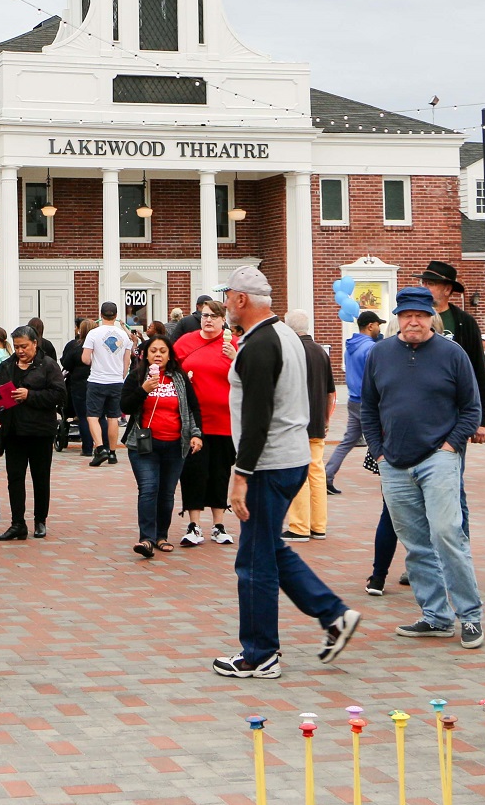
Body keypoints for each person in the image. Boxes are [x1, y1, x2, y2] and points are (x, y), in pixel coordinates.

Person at [213, 266, 359, 679]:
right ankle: (333, 614)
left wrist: (241, 473)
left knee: (254, 562)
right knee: (270, 549)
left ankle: (260, 653)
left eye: (228, 297)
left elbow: (258, 417)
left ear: (241, 299)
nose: (225, 304)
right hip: (292, 456)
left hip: (269, 462)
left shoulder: (259, 345)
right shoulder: (287, 336)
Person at [361, 286, 485, 651]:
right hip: (393, 462)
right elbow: (368, 407)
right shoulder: (380, 354)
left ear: (432, 316)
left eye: (420, 314)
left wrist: (450, 447)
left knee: (448, 534)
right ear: (397, 317)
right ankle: (436, 616)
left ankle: (471, 616)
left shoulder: (452, 354)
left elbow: (471, 407)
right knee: (415, 544)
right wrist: (378, 453)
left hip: (439, 458)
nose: (413, 321)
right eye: (406, 315)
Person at [122, 334, 200, 558]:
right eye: (153, 350)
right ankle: (146, 539)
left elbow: (192, 408)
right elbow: (124, 405)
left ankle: (161, 536)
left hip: (175, 444)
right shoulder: (137, 376)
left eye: (163, 351)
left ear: (169, 355)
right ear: (146, 354)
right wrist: (144, 389)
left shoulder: (179, 378)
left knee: (166, 492)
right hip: (144, 445)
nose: (158, 355)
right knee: (148, 489)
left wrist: (196, 435)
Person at [0, 325, 66, 541]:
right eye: (16, 347)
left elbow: (59, 395)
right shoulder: (7, 365)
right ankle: (17, 523)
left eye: (24, 346)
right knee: (15, 478)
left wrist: (29, 395)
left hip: (40, 431)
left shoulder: (48, 365)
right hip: (14, 431)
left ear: (35, 344)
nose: (20, 351)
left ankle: (40, 520)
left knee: (40, 477)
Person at [174, 302, 237, 547]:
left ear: (223, 319)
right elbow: (172, 372)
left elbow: (248, 379)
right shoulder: (185, 343)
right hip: (194, 423)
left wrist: (236, 360)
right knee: (194, 472)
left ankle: (219, 525)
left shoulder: (233, 344)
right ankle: (194, 525)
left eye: (213, 316)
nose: (208, 320)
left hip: (224, 421)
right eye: (204, 316)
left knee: (220, 473)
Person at [281, 309, 336, 542]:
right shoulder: (321, 352)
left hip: (295, 422)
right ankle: (319, 525)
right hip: (316, 422)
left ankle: (299, 526)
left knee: (298, 473)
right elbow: (330, 392)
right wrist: (326, 420)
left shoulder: (291, 351)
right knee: (317, 472)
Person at [419, 261, 485, 426]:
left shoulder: (465, 322)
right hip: (419, 407)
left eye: (431, 283)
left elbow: (478, 368)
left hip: (453, 410)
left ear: (447, 289)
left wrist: (482, 420)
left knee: (451, 451)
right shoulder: (414, 318)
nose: (424, 287)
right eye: (424, 282)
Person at [324, 310, 383, 494]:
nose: (379, 328)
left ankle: (327, 476)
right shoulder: (371, 348)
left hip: (353, 399)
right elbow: (376, 376)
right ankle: (393, 478)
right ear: (370, 325)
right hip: (369, 402)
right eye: (378, 324)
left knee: (348, 441)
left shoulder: (350, 345)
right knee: (381, 440)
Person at [81, 301, 132, 466]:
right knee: (113, 417)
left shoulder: (93, 334)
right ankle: (112, 452)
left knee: (93, 416)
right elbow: (127, 361)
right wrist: (121, 375)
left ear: (100, 315)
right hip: (116, 380)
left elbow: (85, 358)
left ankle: (100, 448)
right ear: (116, 316)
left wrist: (95, 362)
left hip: (97, 379)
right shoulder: (124, 335)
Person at [59, 318, 90, 450]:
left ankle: (87, 447)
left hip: (78, 384)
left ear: (79, 329)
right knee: (98, 417)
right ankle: (105, 447)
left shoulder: (74, 346)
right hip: (96, 382)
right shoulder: (99, 346)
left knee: (82, 416)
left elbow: (66, 363)